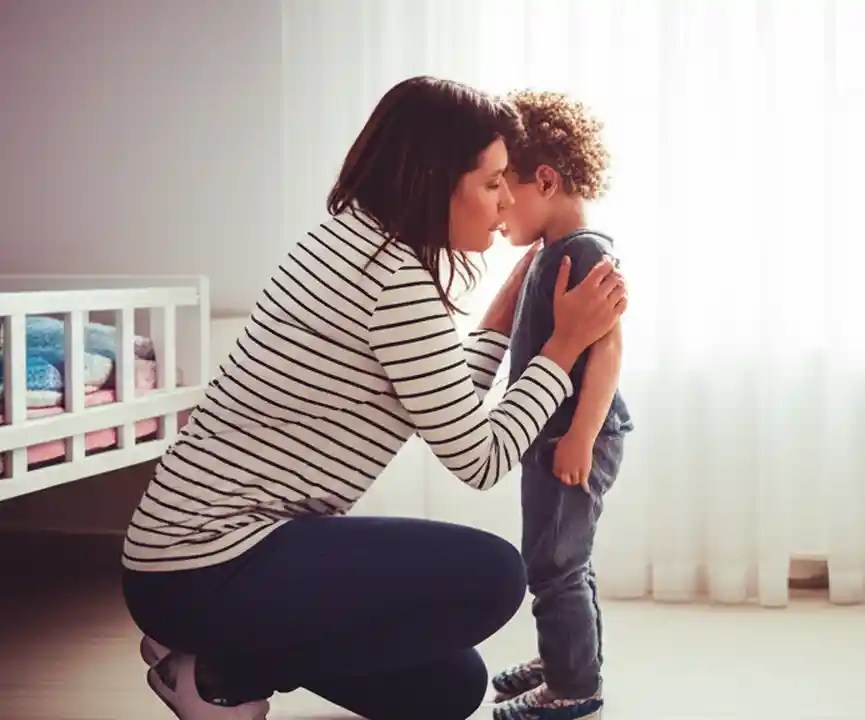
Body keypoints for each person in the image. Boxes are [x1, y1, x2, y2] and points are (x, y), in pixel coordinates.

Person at [118, 76, 627, 720]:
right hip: (208, 562)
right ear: (437, 180)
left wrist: (501, 319)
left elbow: (445, 405)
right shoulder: (397, 284)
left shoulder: (349, 241)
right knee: (496, 576)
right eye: (491, 182)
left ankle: (205, 646)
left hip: (182, 562)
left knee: (450, 687)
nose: (503, 202)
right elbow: (481, 458)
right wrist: (563, 347)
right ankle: (219, 671)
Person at [486, 90, 633, 720]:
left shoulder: (583, 251)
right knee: (561, 555)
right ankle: (565, 657)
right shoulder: (551, 253)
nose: (497, 209)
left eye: (503, 190)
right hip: (550, 433)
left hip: (574, 436)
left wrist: (581, 436)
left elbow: (609, 351)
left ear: (544, 181)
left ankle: (575, 686)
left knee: (554, 562)